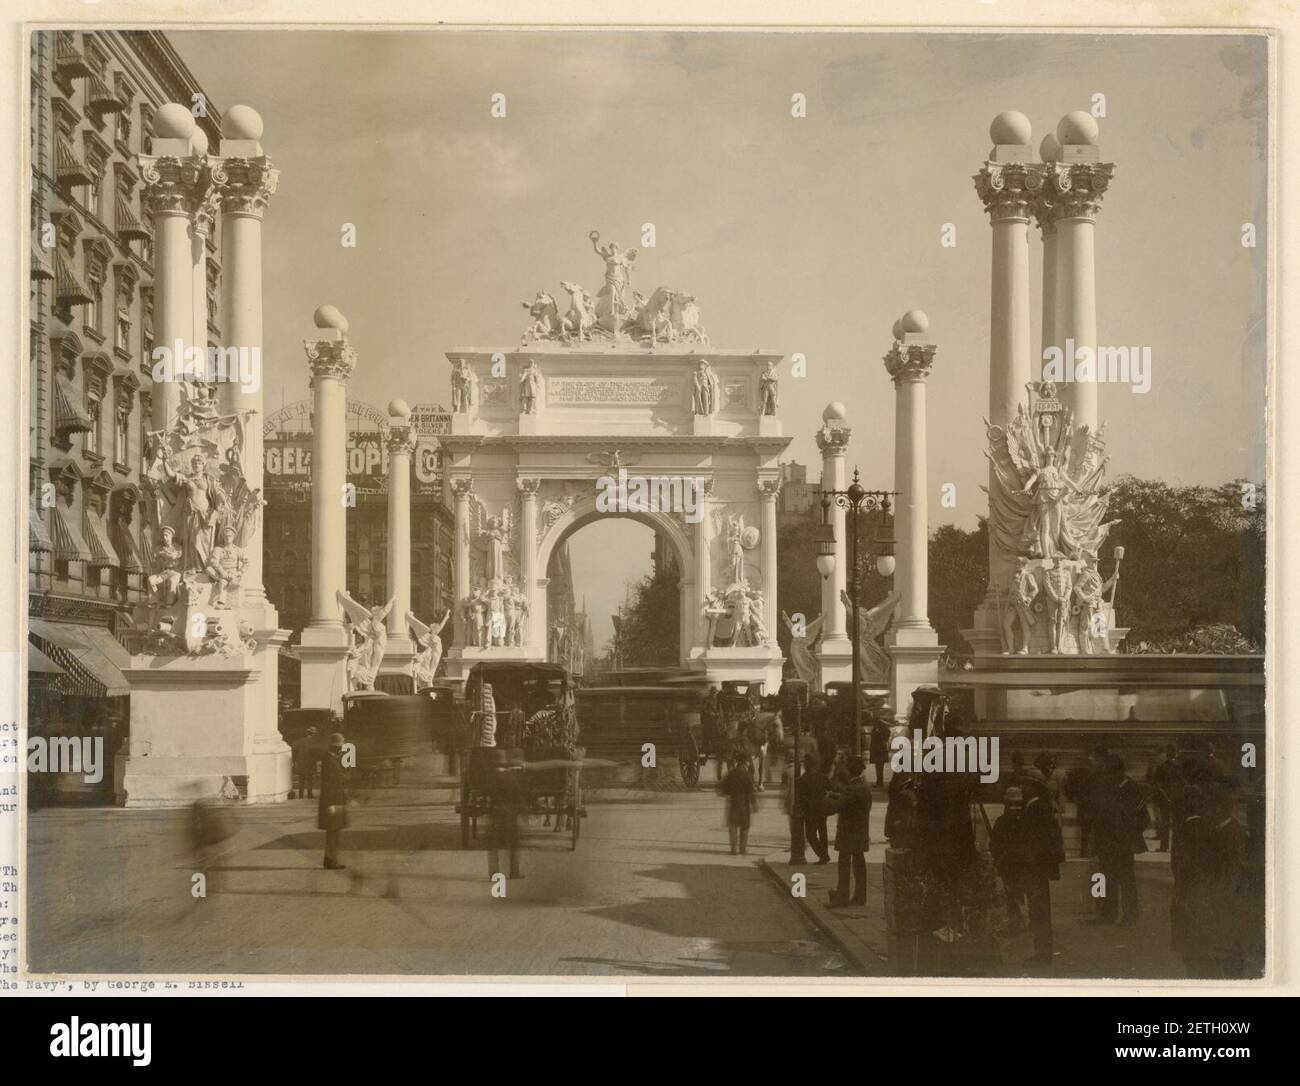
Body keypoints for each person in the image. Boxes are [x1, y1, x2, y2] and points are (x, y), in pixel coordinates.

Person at [992, 785, 1065, 966]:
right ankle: (1042, 950)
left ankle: (1042, 953)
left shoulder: (1029, 815)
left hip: (1031, 870)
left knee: (1038, 911)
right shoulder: (1039, 812)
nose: (1015, 807)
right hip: (1036, 870)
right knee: (1039, 910)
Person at [1089, 753, 1148, 926]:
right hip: (1106, 840)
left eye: (1108, 771)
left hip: (1122, 841)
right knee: (1104, 877)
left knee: (1125, 877)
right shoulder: (1105, 787)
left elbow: (1144, 818)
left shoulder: (1131, 788)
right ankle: (1106, 914)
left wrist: (1129, 833)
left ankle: (1129, 915)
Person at [825, 755, 871, 907]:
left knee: (844, 864)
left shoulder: (851, 788)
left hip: (848, 831)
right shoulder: (864, 786)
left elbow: (838, 806)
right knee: (859, 863)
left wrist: (824, 800)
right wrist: (836, 795)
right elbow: (849, 800)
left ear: (850, 770)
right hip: (861, 830)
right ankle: (860, 896)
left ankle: (842, 897)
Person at [487, 748, 526, 880]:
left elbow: (489, 794)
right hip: (510, 813)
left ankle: (494, 874)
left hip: (496, 813)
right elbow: (518, 795)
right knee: (514, 843)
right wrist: (521, 810)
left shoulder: (491, 778)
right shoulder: (510, 777)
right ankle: (514, 872)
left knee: (493, 845)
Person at [318, 732, 349, 870]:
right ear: (335, 747)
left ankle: (329, 859)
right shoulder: (329, 760)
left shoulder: (333, 758)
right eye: (340, 746)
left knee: (334, 831)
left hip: (335, 799)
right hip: (332, 801)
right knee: (333, 832)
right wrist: (331, 804)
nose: (341, 749)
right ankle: (331, 861)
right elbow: (329, 783)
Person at [795, 752, 831, 864]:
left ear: (807, 764)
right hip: (822, 809)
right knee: (823, 833)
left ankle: (823, 855)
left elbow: (801, 798)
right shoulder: (822, 777)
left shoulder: (802, 780)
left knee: (810, 835)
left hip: (810, 811)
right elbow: (830, 789)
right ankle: (824, 855)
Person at [719, 755, 759, 855]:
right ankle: (742, 849)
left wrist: (729, 792)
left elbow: (723, 788)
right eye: (749, 762)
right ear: (745, 762)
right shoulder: (748, 775)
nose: (749, 763)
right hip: (744, 804)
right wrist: (754, 804)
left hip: (733, 803)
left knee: (733, 826)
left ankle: (733, 849)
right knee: (744, 827)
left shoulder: (731, 773)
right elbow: (751, 792)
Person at [1147, 743, 1181, 852]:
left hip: (1165, 798)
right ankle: (1177, 847)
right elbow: (1183, 784)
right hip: (1177, 798)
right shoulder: (1180, 767)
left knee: (1165, 823)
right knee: (1177, 823)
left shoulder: (1161, 767)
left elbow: (1157, 783)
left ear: (1167, 754)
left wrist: (1165, 795)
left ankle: (1164, 846)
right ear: (1176, 754)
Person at [290, 725, 319, 800]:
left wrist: (295, 761)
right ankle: (309, 795)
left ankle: (301, 795)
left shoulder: (300, 741)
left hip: (301, 763)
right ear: (313, 734)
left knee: (301, 779)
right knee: (310, 779)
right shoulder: (314, 742)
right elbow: (316, 753)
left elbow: (294, 751)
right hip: (310, 763)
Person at [869, 719, 890, 787]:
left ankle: (879, 782)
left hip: (879, 751)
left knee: (879, 767)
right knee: (879, 767)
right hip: (879, 750)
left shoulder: (879, 727)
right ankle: (879, 782)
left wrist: (884, 739)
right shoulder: (878, 726)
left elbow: (887, 732)